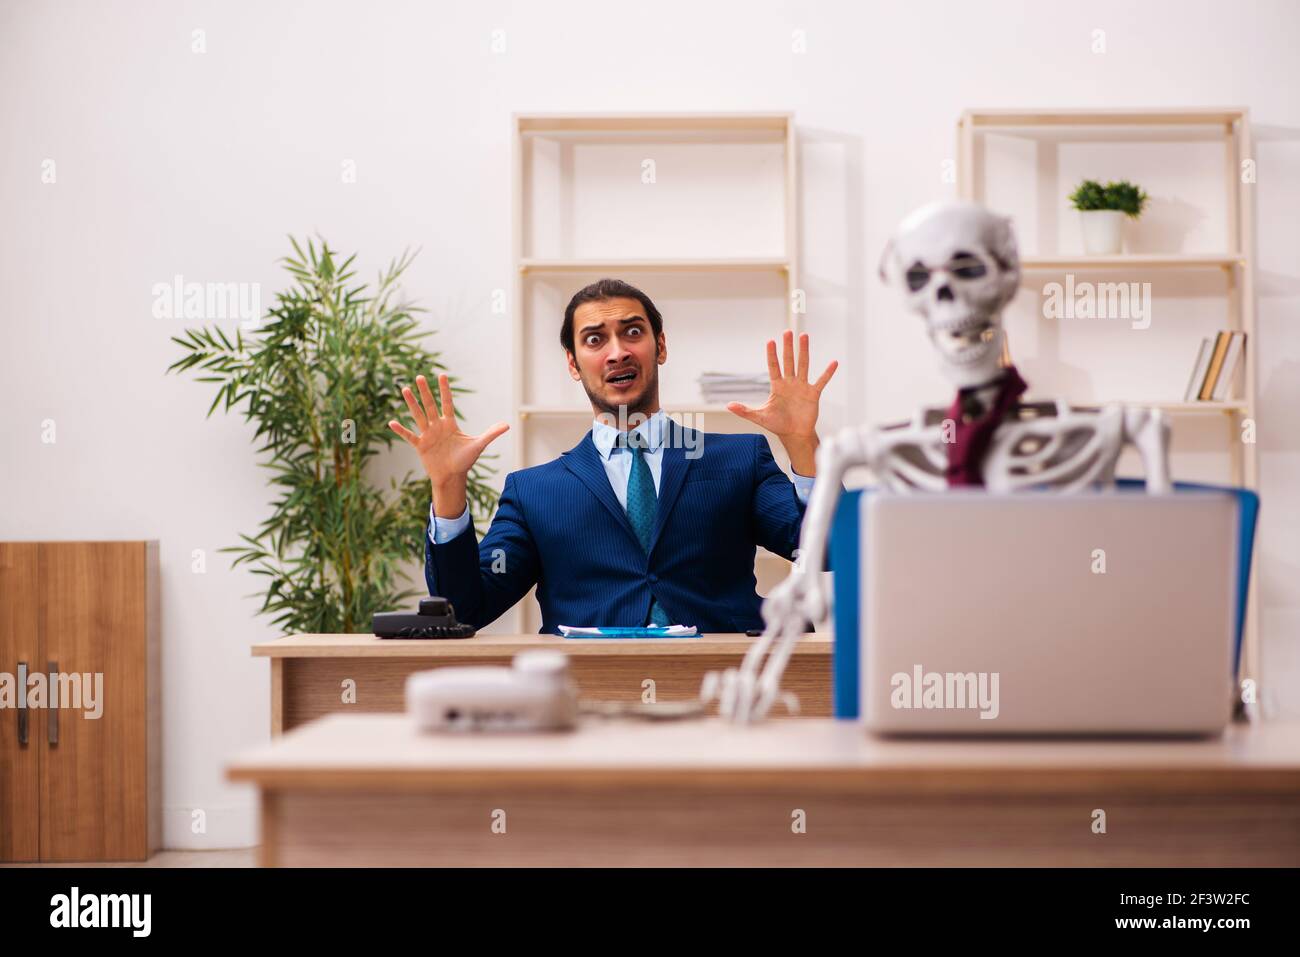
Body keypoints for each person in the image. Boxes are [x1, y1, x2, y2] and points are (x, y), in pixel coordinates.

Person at [389, 278, 838, 634]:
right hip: (589, 697)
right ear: (572, 363)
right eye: (594, 340)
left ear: (660, 347)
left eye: (633, 332)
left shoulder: (739, 459)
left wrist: (803, 443)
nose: (617, 351)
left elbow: (827, 550)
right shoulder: (534, 492)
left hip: (726, 687)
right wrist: (447, 486)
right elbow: (467, 610)